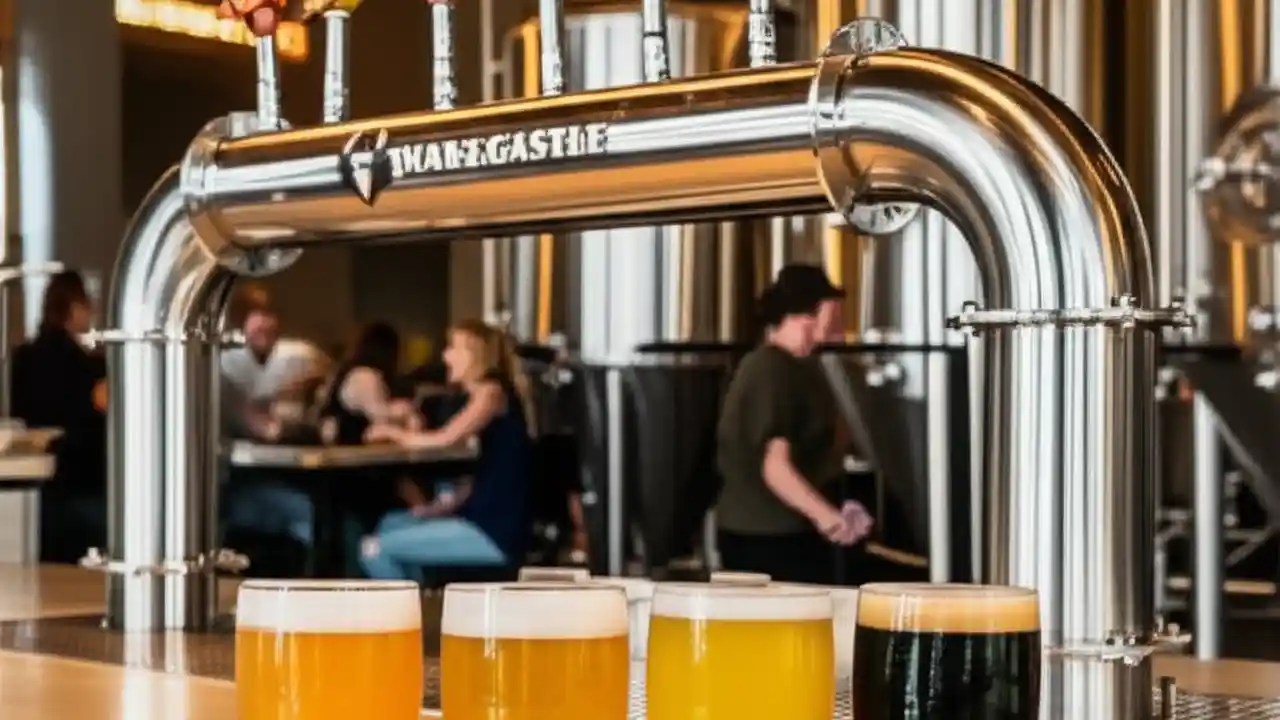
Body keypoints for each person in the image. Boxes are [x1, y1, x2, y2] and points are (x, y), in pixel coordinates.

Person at [715, 264, 873, 584]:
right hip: (767, 540)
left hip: (788, 534)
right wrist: (829, 519)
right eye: (834, 312)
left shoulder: (798, 367)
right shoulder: (771, 369)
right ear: (809, 314)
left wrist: (840, 508)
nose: (839, 325)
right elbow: (776, 467)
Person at [360, 320, 534, 581]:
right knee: (391, 522)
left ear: (474, 355)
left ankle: (410, 616)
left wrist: (394, 433)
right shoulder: (489, 394)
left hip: (494, 530)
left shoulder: (491, 392)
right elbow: (478, 478)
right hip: (481, 517)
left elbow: (447, 439)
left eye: (453, 348)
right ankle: (422, 601)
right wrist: (437, 510)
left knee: (374, 549)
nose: (445, 356)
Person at [11, 271, 107, 563]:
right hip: (83, 481)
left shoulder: (23, 358)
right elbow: (104, 413)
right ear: (74, 307)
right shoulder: (91, 367)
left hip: (37, 485)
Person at [220, 282, 330, 439]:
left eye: (268, 315)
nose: (264, 323)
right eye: (254, 315)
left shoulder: (302, 354)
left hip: (295, 443)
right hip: (240, 448)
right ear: (240, 321)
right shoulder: (225, 362)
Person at [317, 322, 413, 445]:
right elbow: (379, 417)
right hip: (349, 448)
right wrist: (401, 411)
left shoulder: (348, 371)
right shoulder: (365, 376)